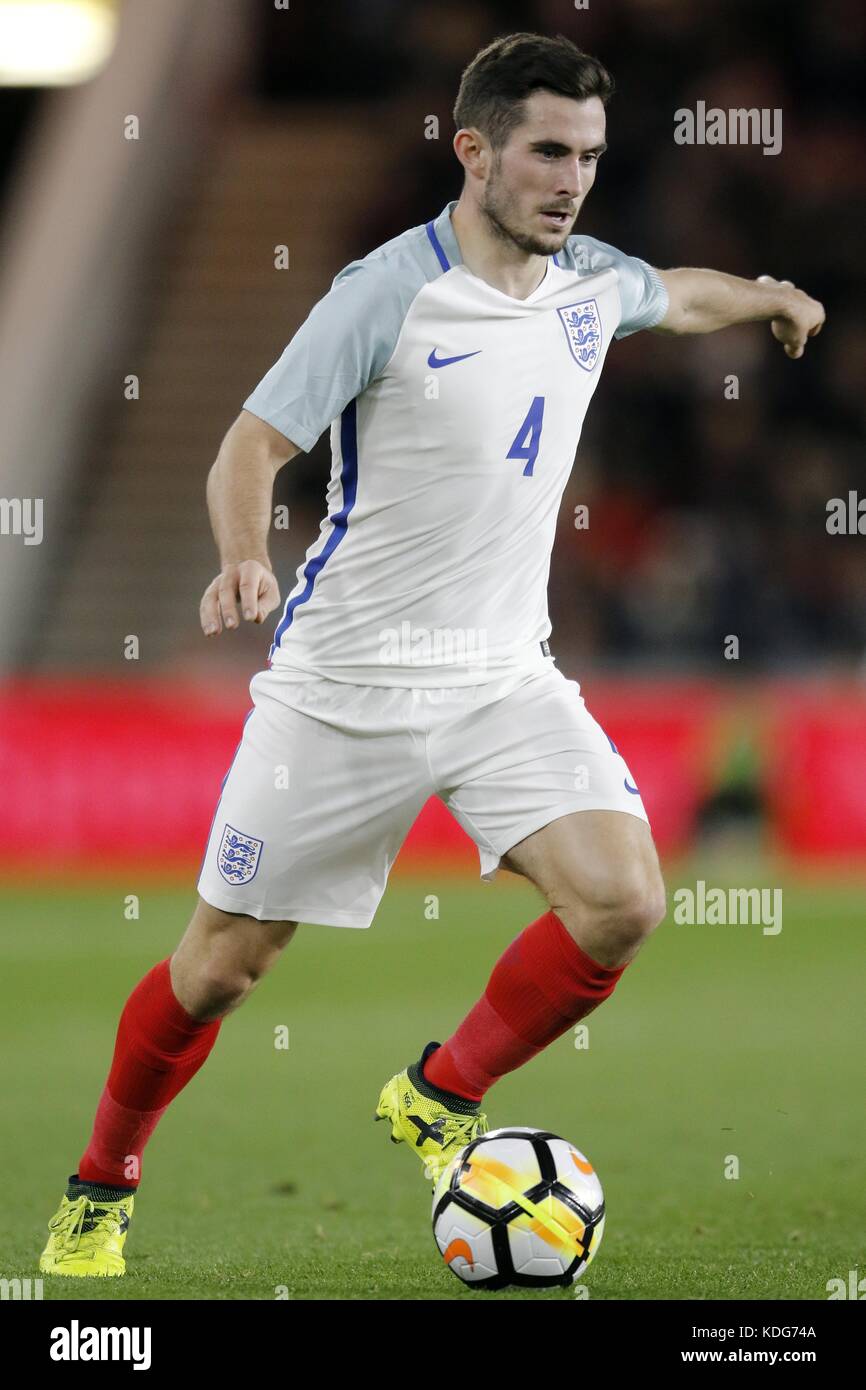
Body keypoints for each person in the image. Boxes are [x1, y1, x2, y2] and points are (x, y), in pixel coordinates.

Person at [39, 31, 824, 1276]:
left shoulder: (587, 280)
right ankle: (100, 1183)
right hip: (342, 690)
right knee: (219, 970)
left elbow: (675, 294)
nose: (571, 181)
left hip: (501, 678)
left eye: (588, 156)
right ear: (473, 150)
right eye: (546, 153)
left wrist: (767, 294)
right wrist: (243, 555)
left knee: (621, 901)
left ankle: (439, 1091)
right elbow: (249, 446)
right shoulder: (385, 291)